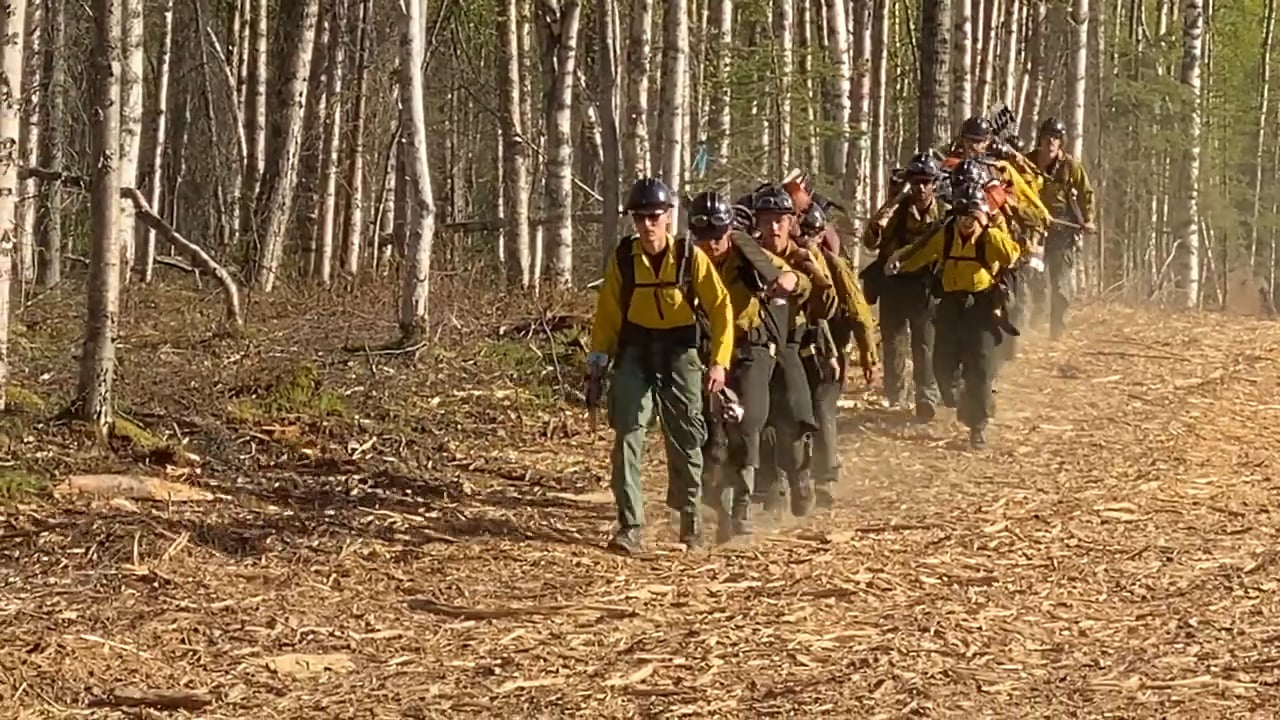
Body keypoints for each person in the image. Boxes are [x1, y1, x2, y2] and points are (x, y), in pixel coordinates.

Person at [587, 178, 734, 554]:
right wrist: (597, 363)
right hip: (635, 351)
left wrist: (718, 362)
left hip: (680, 352)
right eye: (639, 218)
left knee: (686, 435)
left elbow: (720, 310)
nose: (647, 225)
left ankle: (690, 523)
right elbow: (607, 316)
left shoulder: (690, 256)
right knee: (628, 433)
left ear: (669, 216)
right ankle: (629, 526)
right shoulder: (624, 259)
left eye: (654, 216)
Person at [688, 190, 806, 542]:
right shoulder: (689, 260)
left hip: (751, 345)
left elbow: (791, 278)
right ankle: (713, 500)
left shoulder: (750, 254)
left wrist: (785, 283)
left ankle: (741, 505)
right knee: (709, 427)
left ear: (730, 231)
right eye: (704, 239)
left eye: (718, 237)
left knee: (749, 419)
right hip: (708, 348)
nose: (712, 245)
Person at [886, 181, 1022, 449]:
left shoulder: (989, 237)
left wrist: (991, 226)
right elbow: (923, 254)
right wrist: (900, 264)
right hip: (950, 305)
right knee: (943, 365)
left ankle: (978, 426)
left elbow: (1013, 255)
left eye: (971, 216)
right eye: (961, 216)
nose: (966, 222)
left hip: (982, 306)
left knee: (981, 368)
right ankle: (963, 399)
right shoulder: (946, 235)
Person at [751, 184, 832, 518]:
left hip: (794, 347)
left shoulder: (804, 255)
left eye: (780, 220)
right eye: (767, 220)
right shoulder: (749, 256)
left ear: (791, 222)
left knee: (796, 421)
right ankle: (772, 488)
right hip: (757, 346)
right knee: (761, 421)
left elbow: (827, 304)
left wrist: (805, 276)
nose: (774, 228)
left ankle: (801, 477)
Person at [796, 203, 878, 508]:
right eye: (801, 233)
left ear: (820, 236)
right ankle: (794, 478)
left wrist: (868, 356)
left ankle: (824, 478)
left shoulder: (834, 266)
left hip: (827, 354)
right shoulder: (782, 263)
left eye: (812, 234)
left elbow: (859, 312)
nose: (805, 239)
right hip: (793, 350)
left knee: (821, 411)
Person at [863, 152, 946, 420]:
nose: (921, 188)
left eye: (926, 181)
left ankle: (926, 395)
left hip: (925, 286)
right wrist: (880, 221)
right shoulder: (895, 211)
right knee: (894, 341)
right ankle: (895, 395)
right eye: (916, 182)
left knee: (925, 344)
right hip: (894, 285)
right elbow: (870, 242)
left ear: (934, 183)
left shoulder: (944, 213)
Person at [1033, 117, 1097, 339]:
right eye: (1047, 136)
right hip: (1033, 230)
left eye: (1056, 137)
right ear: (1040, 138)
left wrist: (1087, 219)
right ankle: (1030, 328)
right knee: (1034, 281)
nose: (1050, 141)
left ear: (1061, 142)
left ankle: (1056, 330)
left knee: (1061, 287)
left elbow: (1086, 194)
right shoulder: (1027, 163)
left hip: (1062, 231)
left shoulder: (1071, 167)